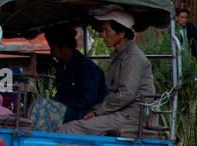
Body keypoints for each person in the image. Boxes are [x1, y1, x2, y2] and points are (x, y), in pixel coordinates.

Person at [60, 9, 155, 137]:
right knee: (75, 120)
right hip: (119, 112)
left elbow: (125, 94)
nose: (103, 35)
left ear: (121, 33)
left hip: (129, 116)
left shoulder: (132, 57)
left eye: (106, 31)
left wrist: (98, 112)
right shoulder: (120, 55)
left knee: (69, 129)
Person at [45, 25, 107, 123]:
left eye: (53, 49)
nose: (51, 53)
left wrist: (58, 103)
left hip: (86, 114)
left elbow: (87, 100)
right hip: (69, 110)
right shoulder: (62, 67)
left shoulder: (86, 67)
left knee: (43, 109)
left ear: (64, 48)